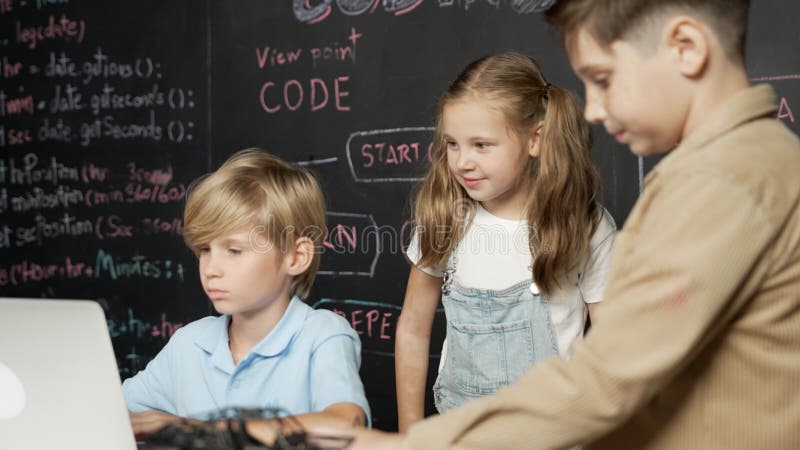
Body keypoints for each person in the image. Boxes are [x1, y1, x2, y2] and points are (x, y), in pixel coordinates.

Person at [328, 0, 800, 448]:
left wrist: (416, 445)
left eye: (604, 78)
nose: (592, 109)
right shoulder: (750, 165)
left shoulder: (722, 185)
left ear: (686, 48)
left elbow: (611, 379)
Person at [395, 51, 616, 431]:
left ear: (535, 140)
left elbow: (614, 345)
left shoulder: (584, 226)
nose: (462, 161)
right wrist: (410, 436)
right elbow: (413, 329)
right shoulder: (446, 219)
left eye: (481, 145)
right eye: (452, 144)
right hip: (464, 433)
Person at [121, 149, 370, 438]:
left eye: (234, 251)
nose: (211, 268)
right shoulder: (188, 344)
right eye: (205, 249)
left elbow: (343, 427)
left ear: (296, 256)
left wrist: (198, 430)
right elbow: (111, 411)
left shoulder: (321, 335)